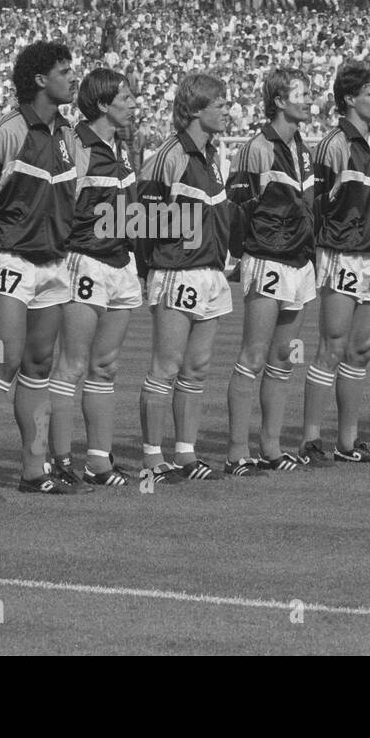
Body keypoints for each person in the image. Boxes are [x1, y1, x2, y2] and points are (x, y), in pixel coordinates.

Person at [0, 42, 77, 496]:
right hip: (9, 257)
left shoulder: (68, 134)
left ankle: (35, 471)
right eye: (64, 71)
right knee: (2, 360)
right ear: (38, 80)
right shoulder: (5, 131)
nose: (73, 78)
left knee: (38, 363)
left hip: (52, 261)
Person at [47, 68, 141, 487]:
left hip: (121, 265)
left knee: (106, 366)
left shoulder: (121, 148)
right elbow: (60, 208)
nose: (133, 102)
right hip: (84, 262)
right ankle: (60, 459)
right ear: (103, 103)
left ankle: (98, 461)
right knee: (71, 365)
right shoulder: (76, 145)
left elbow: (131, 215)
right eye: (126, 96)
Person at [137, 72, 233, 482]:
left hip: (211, 274)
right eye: (220, 103)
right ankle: (151, 457)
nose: (228, 110)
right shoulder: (168, 156)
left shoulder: (212, 155)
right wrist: (151, 273)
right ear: (195, 109)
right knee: (167, 366)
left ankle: (185, 454)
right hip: (176, 272)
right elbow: (142, 225)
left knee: (197, 368)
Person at [299, 62, 370, 465]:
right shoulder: (333, 144)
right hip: (342, 253)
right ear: (350, 98)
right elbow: (312, 207)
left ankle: (348, 442)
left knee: (362, 350)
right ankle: (310, 440)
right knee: (331, 347)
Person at [224, 68, 318, 474]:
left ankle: (271, 448)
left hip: (299, 261)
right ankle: (235, 452)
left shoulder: (302, 147)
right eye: (300, 93)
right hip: (267, 258)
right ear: (279, 100)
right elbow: (238, 211)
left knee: (283, 357)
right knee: (254, 354)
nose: (308, 100)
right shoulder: (255, 149)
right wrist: (245, 255)